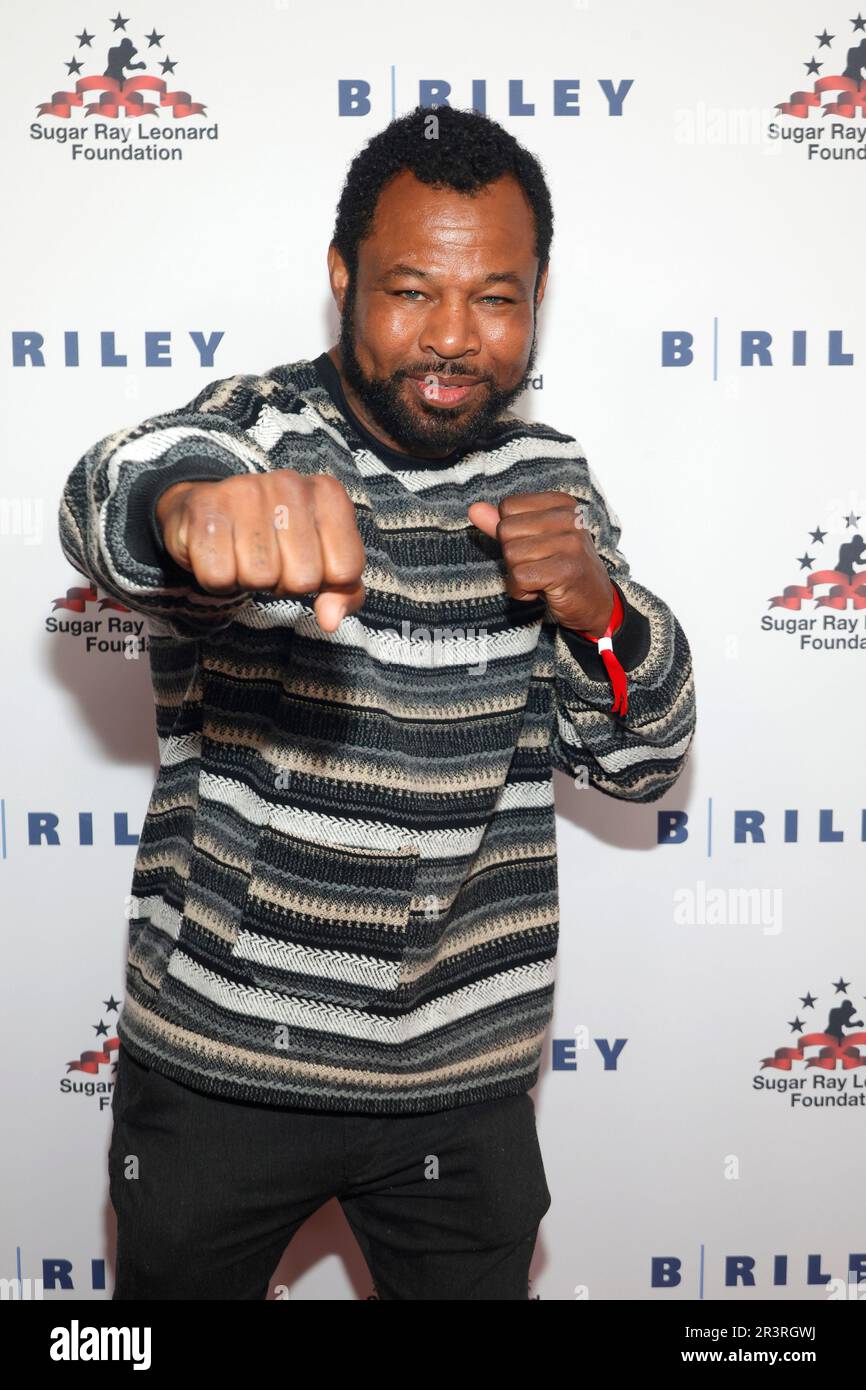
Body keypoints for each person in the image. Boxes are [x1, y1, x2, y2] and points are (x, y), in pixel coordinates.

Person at [58, 104, 696, 1300]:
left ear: (537, 295)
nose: (452, 339)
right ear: (343, 279)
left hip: (459, 1074)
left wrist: (599, 612)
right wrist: (184, 516)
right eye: (411, 290)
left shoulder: (549, 477)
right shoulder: (257, 433)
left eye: (495, 298)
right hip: (221, 1067)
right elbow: (116, 491)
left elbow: (642, 763)